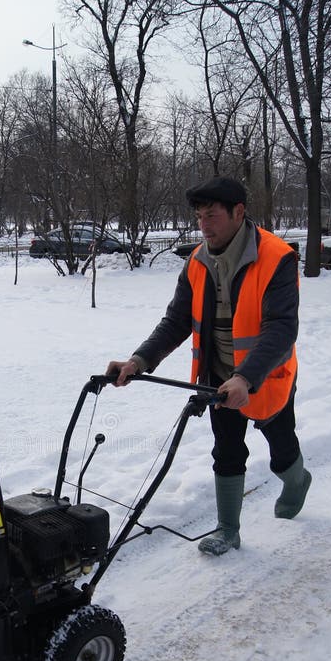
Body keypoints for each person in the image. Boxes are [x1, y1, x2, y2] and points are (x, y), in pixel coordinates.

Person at [107, 176, 312, 555]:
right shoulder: (197, 262)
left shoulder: (276, 257)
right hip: (219, 377)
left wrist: (246, 377)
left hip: (265, 375)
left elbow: (282, 328)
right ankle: (227, 530)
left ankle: (297, 480)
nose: (204, 225)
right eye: (199, 216)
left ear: (238, 212)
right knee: (227, 449)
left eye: (212, 215)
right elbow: (176, 321)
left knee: (282, 449)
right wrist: (139, 360)